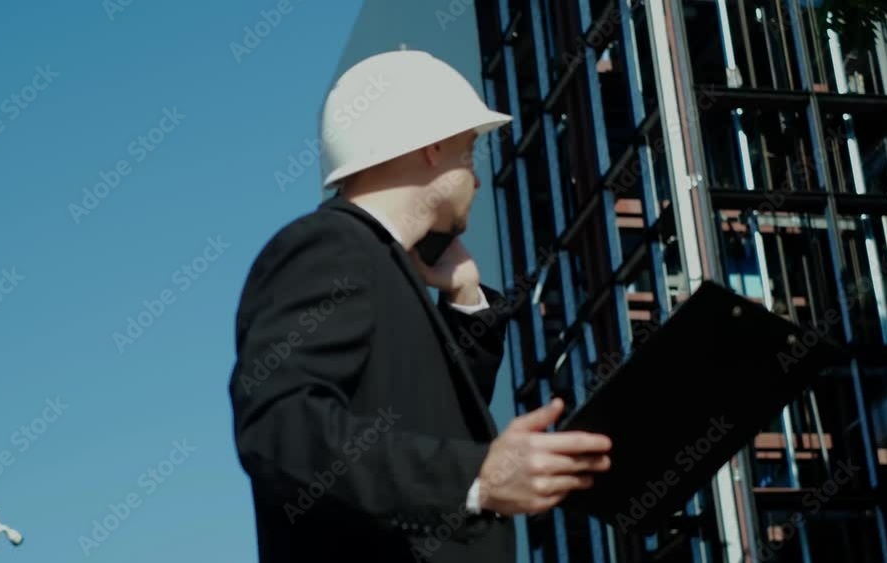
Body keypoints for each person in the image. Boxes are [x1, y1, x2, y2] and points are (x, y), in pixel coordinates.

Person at [229, 50, 612, 563]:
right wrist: (476, 478)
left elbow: (422, 423)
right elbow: (281, 427)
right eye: (468, 151)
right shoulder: (329, 246)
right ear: (433, 146)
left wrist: (463, 298)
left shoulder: (375, 266)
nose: (475, 179)